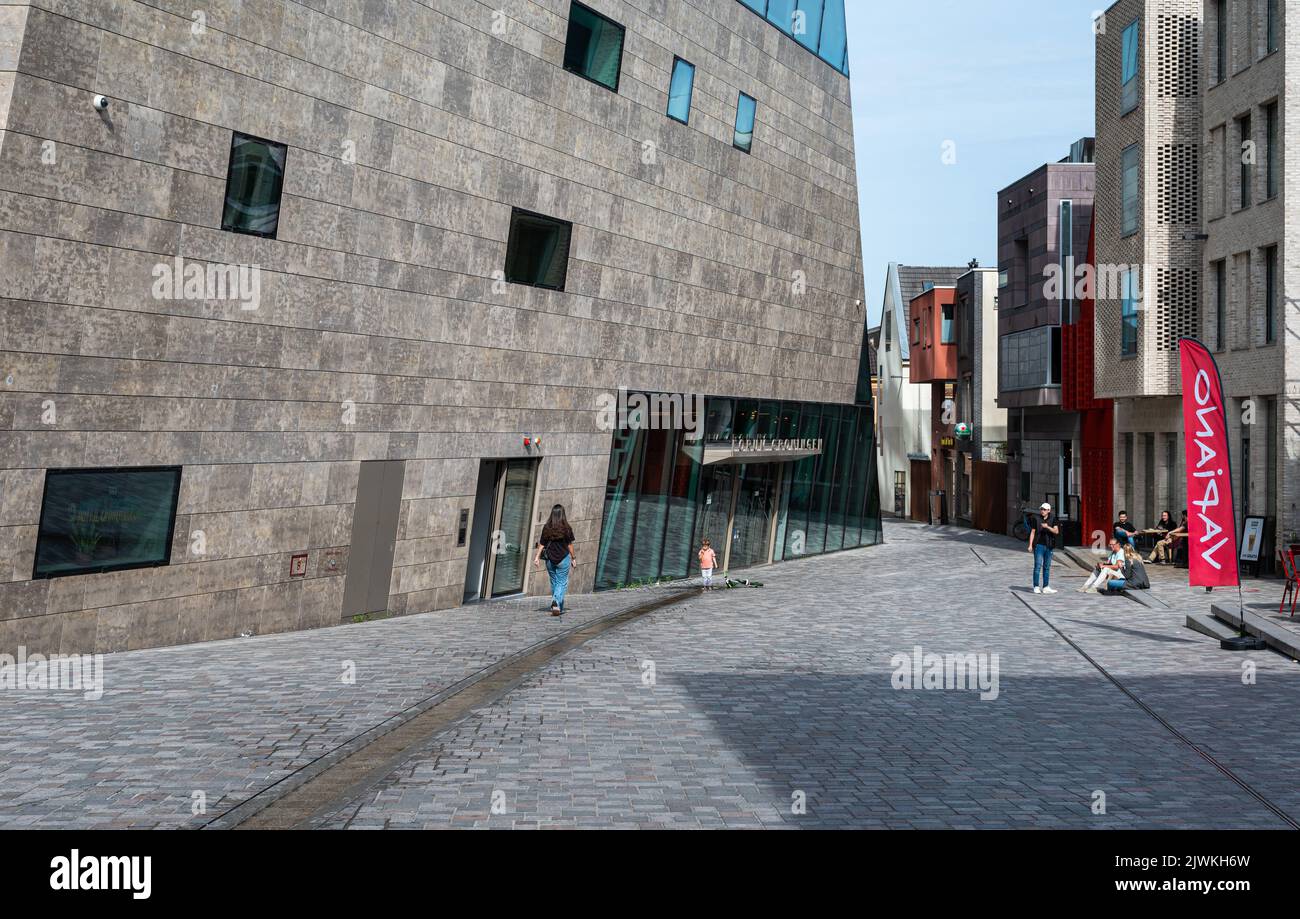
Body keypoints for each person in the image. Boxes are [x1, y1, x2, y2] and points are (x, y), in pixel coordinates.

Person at [533, 504, 576, 616]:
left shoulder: (547, 527)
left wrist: (537, 557)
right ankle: (556, 602)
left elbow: (542, 544)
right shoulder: (567, 528)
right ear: (563, 514)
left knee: (554, 582)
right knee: (562, 582)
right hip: (563, 559)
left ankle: (557, 607)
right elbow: (570, 545)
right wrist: (573, 558)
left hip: (550, 560)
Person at [1028, 502, 1060, 594]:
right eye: (1041, 509)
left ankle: (1046, 587)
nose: (1042, 511)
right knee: (1037, 566)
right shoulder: (1036, 519)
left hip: (1049, 545)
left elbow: (1056, 531)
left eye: (1045, 509)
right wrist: (1030, 545)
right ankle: (1036, 586)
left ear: (1049, 511)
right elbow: (1032, 532)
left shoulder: (1053, 518)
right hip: (1038, 545)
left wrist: (1048, 527)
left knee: (1047, 567)